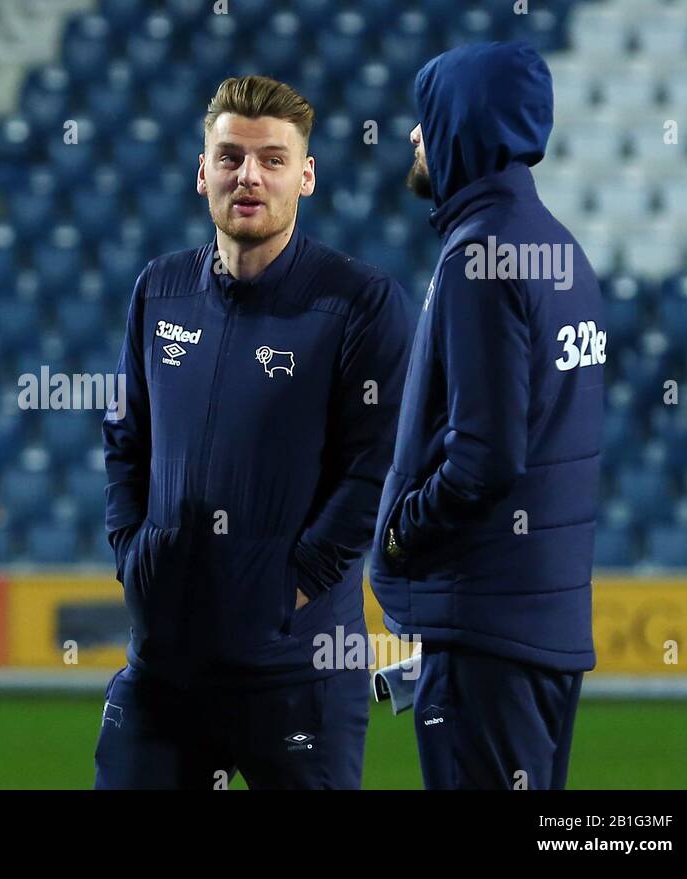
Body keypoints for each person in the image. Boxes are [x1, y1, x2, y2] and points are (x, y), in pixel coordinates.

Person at [97, 75, 413, 789]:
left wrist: (292, 586)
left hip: (297, 671)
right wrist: (131, 549)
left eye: (272, 159)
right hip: (164, 667)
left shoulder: (361, 302)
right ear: (202, 171)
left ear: (305, 177)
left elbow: (377, 469)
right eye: (232, 155)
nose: (250, 175)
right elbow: (125, 433)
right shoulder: (159, 287)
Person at [370, 42, 604, 790]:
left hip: (490, 635)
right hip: (540, 627)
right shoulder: (560, 251)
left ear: (464, 125)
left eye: (426, 118)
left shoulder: (481, 258)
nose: (414, 136)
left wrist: (402, 534)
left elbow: (486, 458)